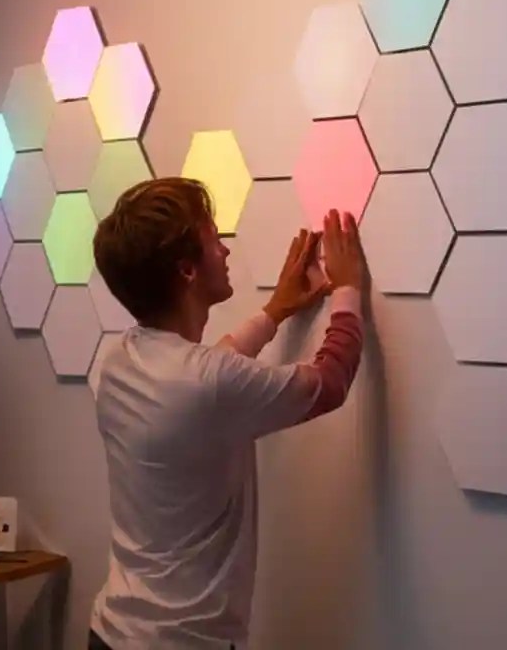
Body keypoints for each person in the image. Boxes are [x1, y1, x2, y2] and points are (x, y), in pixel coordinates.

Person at [87, 177, 367, 649]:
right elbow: (331, 383)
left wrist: (275, 311)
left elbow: (206, 374)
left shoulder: (115, 363)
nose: (225, 250)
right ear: (187, 271)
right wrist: (348, 288)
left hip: (112, 632)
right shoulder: (206, 384)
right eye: (213, 239)